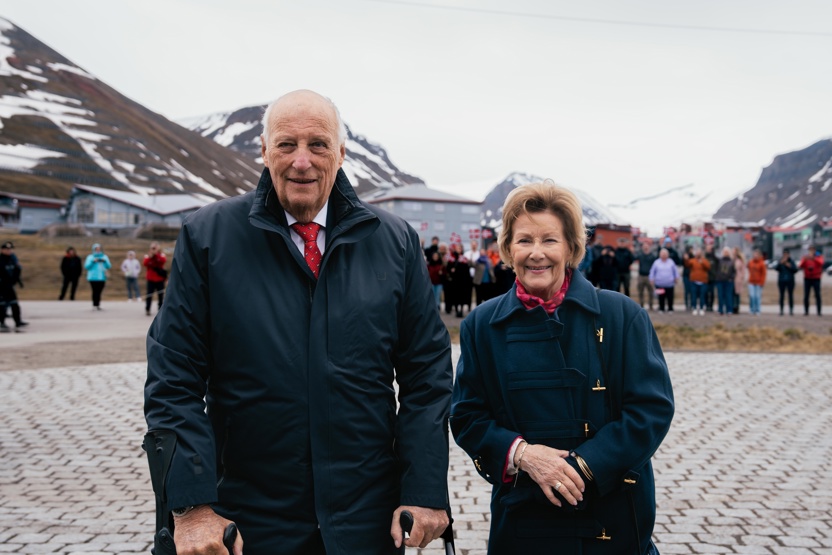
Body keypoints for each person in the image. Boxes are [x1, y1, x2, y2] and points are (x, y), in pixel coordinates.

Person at [144, 89, 452, 554]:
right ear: (264, 151)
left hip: (365, 520)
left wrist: (425, 491)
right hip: (244, 520)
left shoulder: (395, 242)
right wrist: (193, 508)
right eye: (286, 145)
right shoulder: (208, 237)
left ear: (342, 154)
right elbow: (174, 379)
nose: (302, 161)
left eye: (318, 145)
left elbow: (427, 376)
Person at [451, 182, 674, 554]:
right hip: (523, 518)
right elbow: (468, 416)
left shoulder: (622, 315)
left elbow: (651, 410)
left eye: (549, 240)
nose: (536, 254)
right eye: (524, 241)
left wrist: (583, 466)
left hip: (610, 514)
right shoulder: (481, 325)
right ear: (508, 249)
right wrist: (524, 455)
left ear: (571, 247)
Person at [0, 241, 27, 332]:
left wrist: (17, 281)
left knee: (14, 304)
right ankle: (1, 322)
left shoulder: (12, 259)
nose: (9, 251)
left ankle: (18, 321)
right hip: (2, 286)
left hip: (10, 286)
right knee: (2, 305)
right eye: (7, 249)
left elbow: (16, 271)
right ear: (2, 250)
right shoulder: (1, 260)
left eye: (10, 249)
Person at [649, 248, 679, 313]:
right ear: (660, 254)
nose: (664, 255)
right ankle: (661, 308)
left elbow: (675, 271)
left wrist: (676, 278)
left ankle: (670, 308)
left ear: (667, 255)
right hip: (659, 283)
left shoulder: (671, 262)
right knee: (661, 297)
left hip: (669, 284)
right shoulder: (656, 262)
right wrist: (651, 279)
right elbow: (652, 271)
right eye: (662, 254)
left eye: (665, 254)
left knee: (670, 297)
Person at [84, 243, 111, 311]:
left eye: (99, 249)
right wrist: (93, 261)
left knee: (99, 291)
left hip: (102, 277)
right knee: (94, 291)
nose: (98, 250)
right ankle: (95, 304)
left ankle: (98, 304)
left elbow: (109, 266)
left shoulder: (104, 256)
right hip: (93, 277)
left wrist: (104, 261)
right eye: (96, 249)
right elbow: (87, 266)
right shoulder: (90, 257)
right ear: (94, 249)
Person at [684, 247, 711, 315]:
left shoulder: (704, 260)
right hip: (694, 281)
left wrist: (702, 263)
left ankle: (702, 308)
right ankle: (694, 307)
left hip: (703, 281)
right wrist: (686, 259)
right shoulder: (693, 260)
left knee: (702, 295)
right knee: (694, 295)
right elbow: (687, 265)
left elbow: (708, 267)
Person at [142, 242, 167, 316]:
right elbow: (145, 263)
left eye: (155, 248)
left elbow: (162, 261)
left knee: (160, 295)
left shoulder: (161, 255)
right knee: (149, 294)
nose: (154, 249)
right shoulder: (147, 256)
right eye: (152, 248)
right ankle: (147, 309)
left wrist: (156, 254)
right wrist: (151, 256)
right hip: (151, 278)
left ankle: (160, 309)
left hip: (160, 278)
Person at [799, 246, 824, 316]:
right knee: (806, 295)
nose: (811, 251)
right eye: (810, 250)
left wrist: (814, 258)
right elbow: (800, 266)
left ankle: (819, 311)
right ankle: (806, 311)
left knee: (817, 295)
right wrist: (805, 260)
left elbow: (821, 263)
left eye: (812, 250)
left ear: (815, 250)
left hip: (816, 278)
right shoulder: (805, 257)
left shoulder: (819, 256)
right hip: (807, 278)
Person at [775, 249, 798, 316]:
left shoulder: (791, 261)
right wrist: (780, 263)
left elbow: (795, 270)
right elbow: (776, 268)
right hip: (781, 281)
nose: (785, 255)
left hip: (790, 281)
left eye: (786, 254)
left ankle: (791, 310)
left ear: (789, 255)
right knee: (781, 296)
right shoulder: (780, 261)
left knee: (790, 295)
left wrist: (789, 265)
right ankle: (781, 310)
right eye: (784, 254)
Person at [714, 247, 736, 315]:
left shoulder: (732, 261)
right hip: (720, 280)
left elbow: (734, 271)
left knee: (728, 296)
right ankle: (720, 310)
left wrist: (731, 278)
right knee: (720, 296)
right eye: (724, 252)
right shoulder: (719, 261)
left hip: (728, 281)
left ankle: (729, 310)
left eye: (727, 252)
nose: (725, 253)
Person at [635, 242, 657, 311]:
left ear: (649, 247)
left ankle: (651, 305)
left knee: (651, 292)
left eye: (647, 246)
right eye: (644, 246)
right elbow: (633, 258)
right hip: (641, 276)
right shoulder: (640, 255)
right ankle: (641, 305)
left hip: (649, 276)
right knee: (640, 292)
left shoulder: (653, 256)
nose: (645, 248)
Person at [746, 249, 767, 316]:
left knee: (757, 297)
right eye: (754, 254)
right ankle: (752, 309)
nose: (755, 255)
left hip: (758, 283)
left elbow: (764, 273)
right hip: (751, 282)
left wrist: (762, 282)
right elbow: (748, 268)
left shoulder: (761, 263)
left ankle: (758, 310)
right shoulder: (751, 262)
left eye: (756, 254)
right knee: (752, 296)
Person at [732, 248, 747, 314]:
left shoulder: (740, 261)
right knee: (731, 294)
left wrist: (741, 277)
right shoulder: (731, 259)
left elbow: (743, 270)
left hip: (738, 279)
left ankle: (736, 307)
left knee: (737, 294)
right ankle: (732, 307)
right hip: (731, 279)